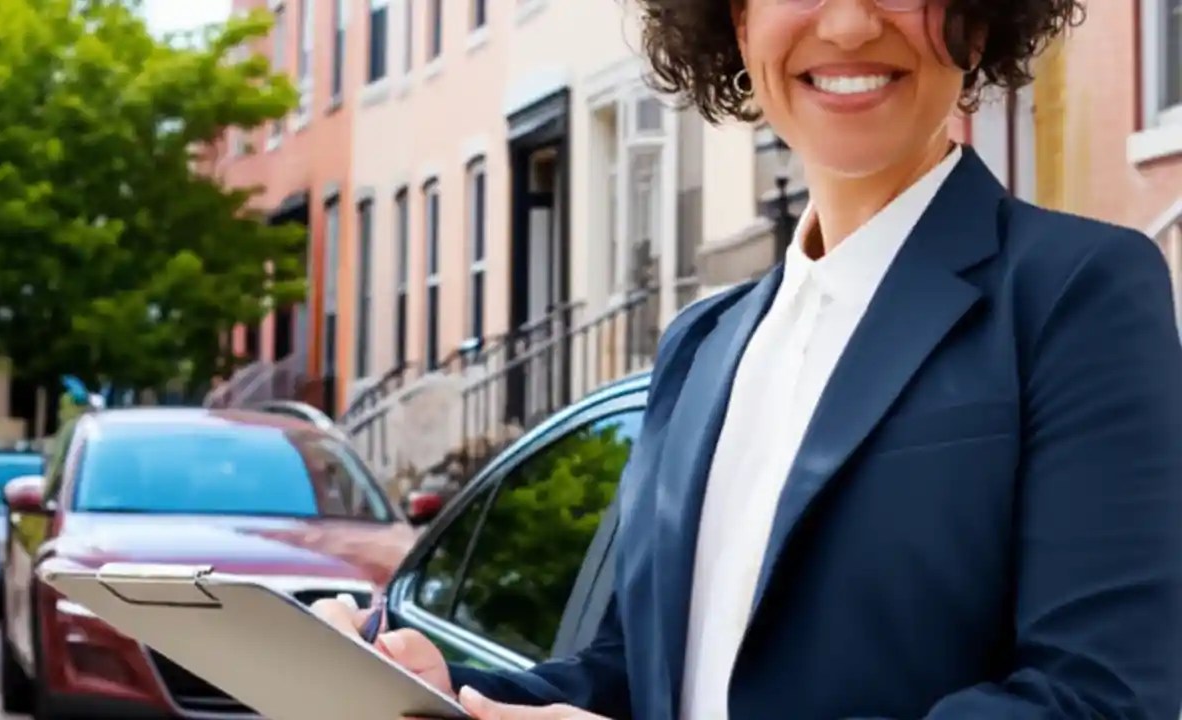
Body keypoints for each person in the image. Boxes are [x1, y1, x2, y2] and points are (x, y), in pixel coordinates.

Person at [316, 0, 1182, 717]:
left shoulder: (1077, 292)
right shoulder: (702, 344)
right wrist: (446, 695)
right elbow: (637, 673)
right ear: (735, 20)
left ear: (980, 20)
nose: (846, 26)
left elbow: (1102, 695)